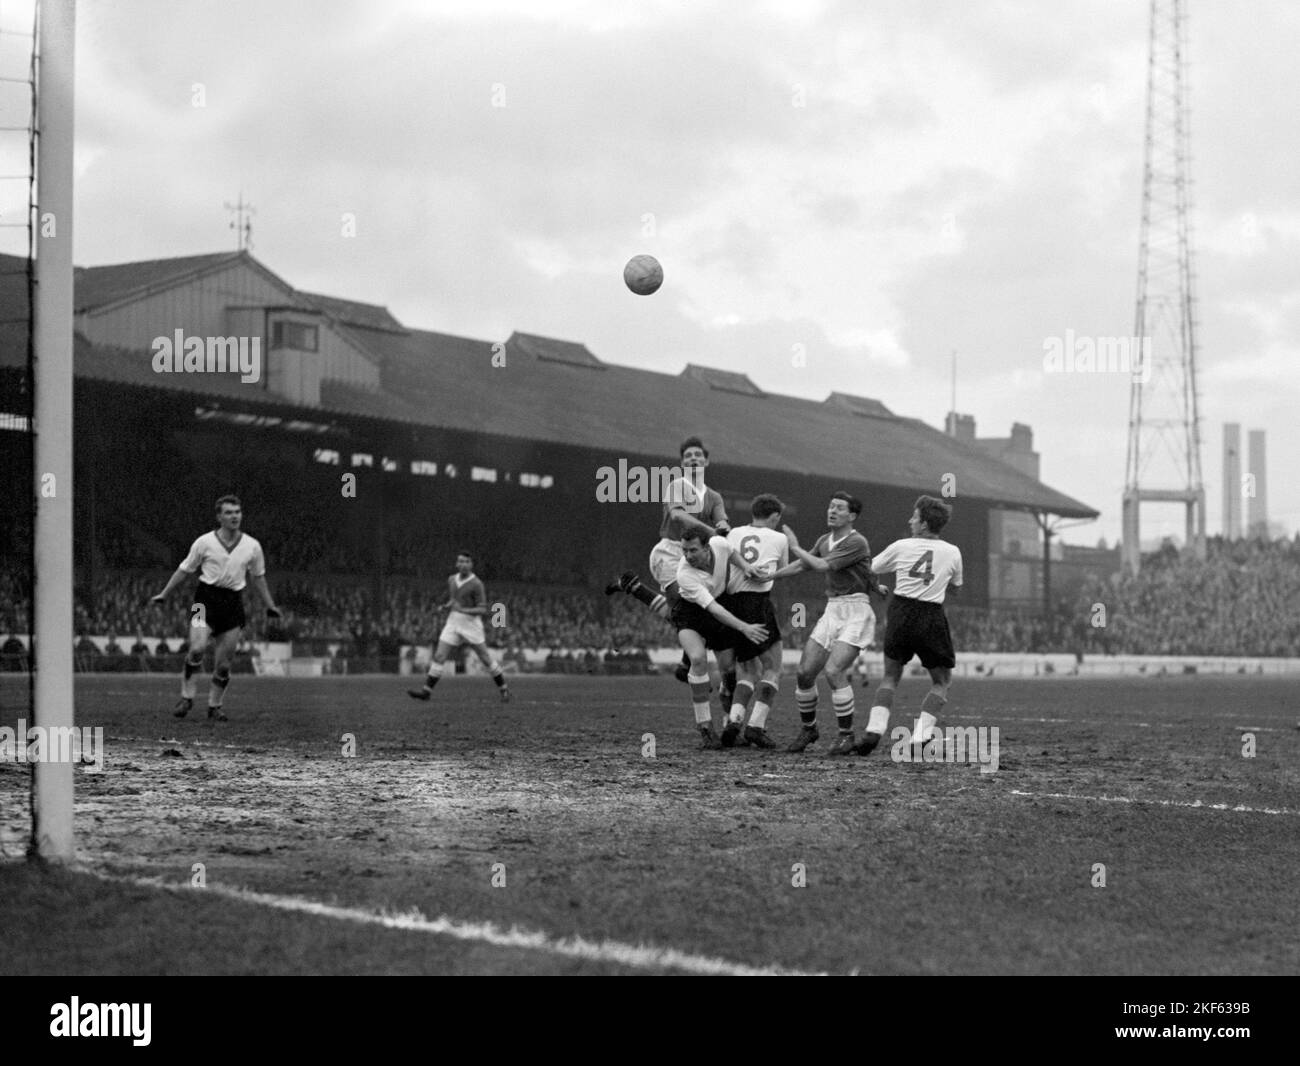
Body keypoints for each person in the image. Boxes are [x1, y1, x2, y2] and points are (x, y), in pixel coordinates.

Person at [605, 436, 734, 690]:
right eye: (688, 456)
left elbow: (722, 522)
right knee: (692, 609)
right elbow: (677, 515)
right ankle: (689, 661)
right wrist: (711, 531)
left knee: (690, 613)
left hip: (698, 556)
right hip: (671, 554)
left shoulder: (715, 497)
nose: (693, 458)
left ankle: (633, 587)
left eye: (698, 454)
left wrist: (723, 527)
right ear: (683, 463)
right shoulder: (676, 486)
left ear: (706, 461)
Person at [149, 495, 281, 721]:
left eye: (237, 512)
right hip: (205, 600)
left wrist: (270, 605)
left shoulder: (252, 546)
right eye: (229, 513)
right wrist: (164, 593)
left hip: (232, 604)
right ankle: (187, 697)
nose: (234, 516)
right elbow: (184, 569)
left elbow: (258, 578)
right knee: (197, 648)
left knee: (223, 665)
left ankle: (215, 706)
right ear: (219, 516)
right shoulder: (204, 542)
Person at [855, 495, 963, 756]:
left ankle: (873, 731)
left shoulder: (901, 545)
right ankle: (919, 739)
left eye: (914, 517)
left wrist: (876, 585)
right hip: (930, 614)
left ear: (924, 524)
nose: (910, 520)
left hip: (901, 611)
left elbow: (869, 569)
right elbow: (956, 590)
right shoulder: (953, 552)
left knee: (891, 676)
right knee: (942, 680)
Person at [775, 492, 877, 755]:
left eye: (839, 508)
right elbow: (802, 565)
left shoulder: (856, 541)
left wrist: (794, 544)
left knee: (833, 671)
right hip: (833, 609)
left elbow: (820, 566)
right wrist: (770, 576)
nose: (831, 511)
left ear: (851, 516)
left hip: (856, 610)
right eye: (830, 506)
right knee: (804, 673)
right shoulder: (824, 539)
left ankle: (846, 736)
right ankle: (809, 729)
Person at [671, 527, 768, 749]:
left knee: (728, 671)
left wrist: (746, 566)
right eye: (684, 551)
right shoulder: (685, 574)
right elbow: (713, 609)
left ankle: (729, 725)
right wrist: (744, 627)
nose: (688, 556)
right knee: (697, 659)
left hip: (719, 608)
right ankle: (705, 727)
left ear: (707, 547)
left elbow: (731, 552)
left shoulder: (720, 544)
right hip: (691, 614)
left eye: (693, 550)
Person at [714, 494, 790, 749]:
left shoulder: (733, 533)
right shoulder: (780, 538)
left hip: (733, 605)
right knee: (773, 667)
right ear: (775, 516)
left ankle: (734, 721)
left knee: (748, 670)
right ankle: (756, 727)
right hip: (758, 602)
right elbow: (784, 571)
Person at [408, 551, 511, 703]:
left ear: (471, 564)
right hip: (454, 621)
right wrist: (445, 606)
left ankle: (504, 689)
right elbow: (453, 600)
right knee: (439, 656)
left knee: (485, 658)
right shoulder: (451, 579)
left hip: (471, 624)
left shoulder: (477, 584)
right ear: (457, 564)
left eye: (467, 562)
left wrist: (462, 609)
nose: (463, 564)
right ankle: (426, 692)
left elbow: (482, 609)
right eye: (461, 561)